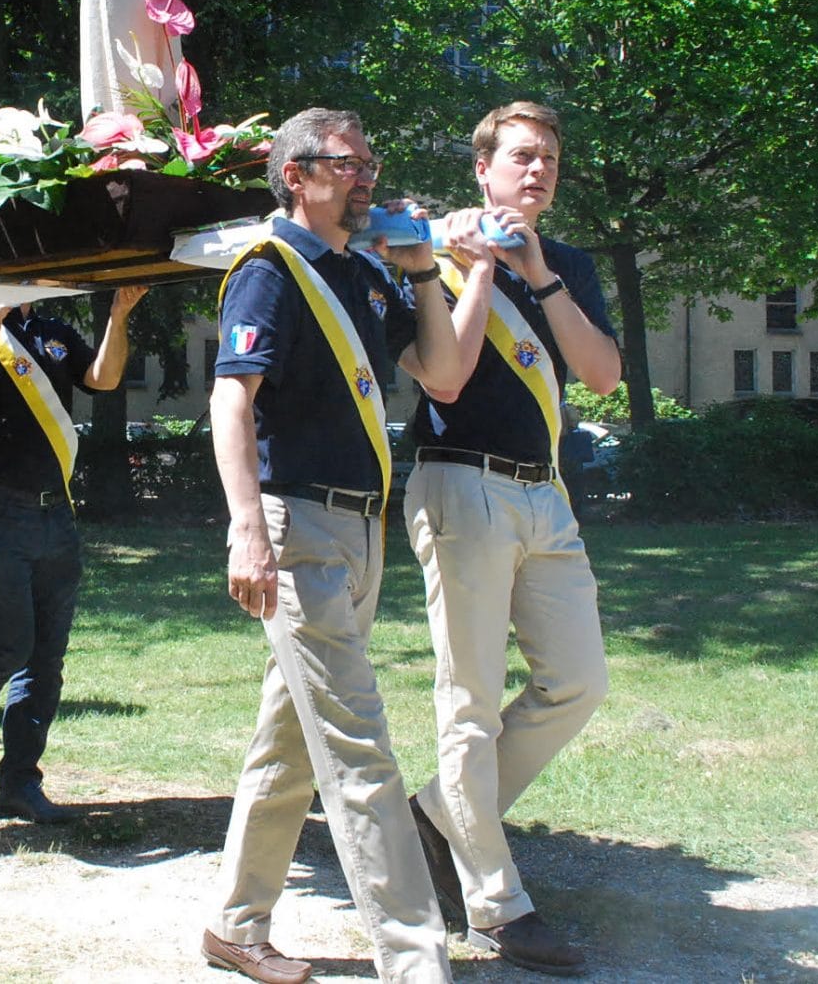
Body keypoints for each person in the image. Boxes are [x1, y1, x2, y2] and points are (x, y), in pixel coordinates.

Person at [204, 108, 473, 984]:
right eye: (348, 165)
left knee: (290, 744)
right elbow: (231, 403)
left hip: (362, 529)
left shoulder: (360, 273)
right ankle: (415, 956)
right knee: (359, 747)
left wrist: (426, 269)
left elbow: (443, 372)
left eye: (369, 163)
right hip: (298, 531)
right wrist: (248, 528)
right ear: (297, 175)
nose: (366, 178)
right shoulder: (269, 271)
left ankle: (234, 925)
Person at [402, 102, 622, 977]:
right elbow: (443, 382)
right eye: (523, 157)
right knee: (469, 700)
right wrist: (478, 268)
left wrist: (543, 274)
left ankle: (436, 812)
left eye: (551, 160)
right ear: (483, 169)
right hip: (462, 482)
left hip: (547, 497)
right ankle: (497, 906)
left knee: (578, 682)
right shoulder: (431, 250)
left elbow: (601, 376)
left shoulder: (566, 263)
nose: (540, 171)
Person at [0, 286, 145, 825]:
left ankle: (19, 781)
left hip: (55, 514)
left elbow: (105, 378)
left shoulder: (54, 330)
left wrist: (119, 314)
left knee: (45, 659)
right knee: (7, 645)